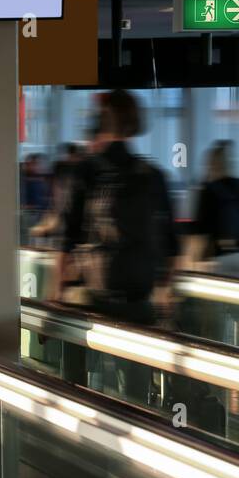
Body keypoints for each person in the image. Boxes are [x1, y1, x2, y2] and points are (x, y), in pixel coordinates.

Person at [60, 91, 179, 405]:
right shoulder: (153, 176)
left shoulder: (84, 172)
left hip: (90, 300)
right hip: (138, 301)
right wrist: (164, 295)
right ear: (134, 124)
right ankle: (131, 434)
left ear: (101, 122)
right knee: (135, 394)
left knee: (77, 389)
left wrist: (56, 295)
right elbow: (171, 247)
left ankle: (75, 440)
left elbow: (66, 241)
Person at [189, 140, 239, 278]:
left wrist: (194, 261)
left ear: (212, 164)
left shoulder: (208, 189)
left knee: (220, 295)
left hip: (221, 255)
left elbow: (200, 229)